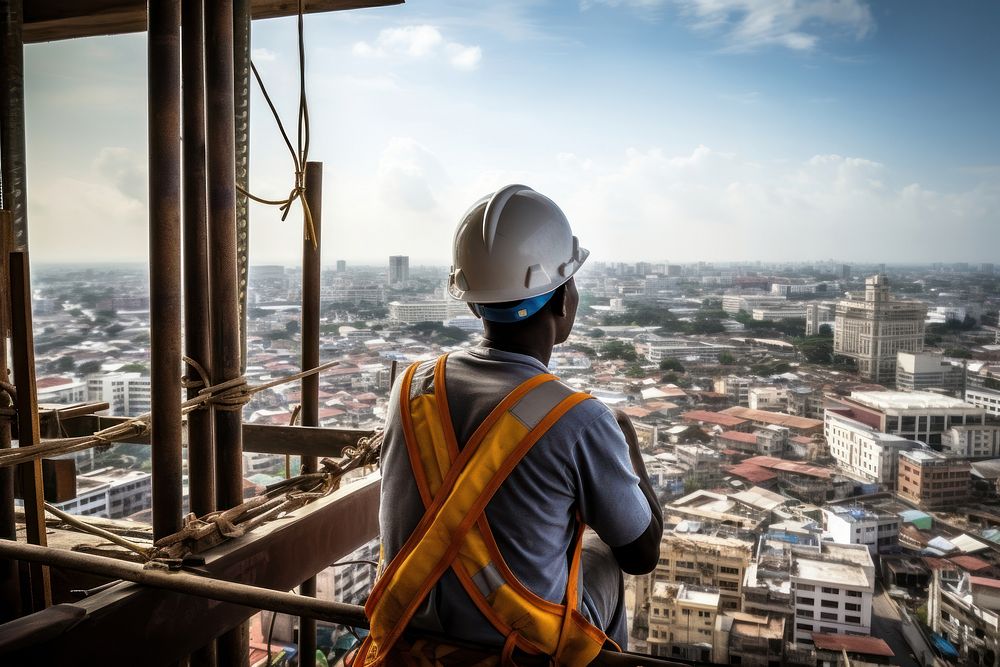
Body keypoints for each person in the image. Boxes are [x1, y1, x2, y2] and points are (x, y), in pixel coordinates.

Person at [358, 185, 663, 666]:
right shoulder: (579, 420)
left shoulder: (410, 388)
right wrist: (622, 436)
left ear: (475, 303)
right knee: (602, 554)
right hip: (516, 648)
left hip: (407, 630)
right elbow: (642, 553)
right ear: (563, 301)